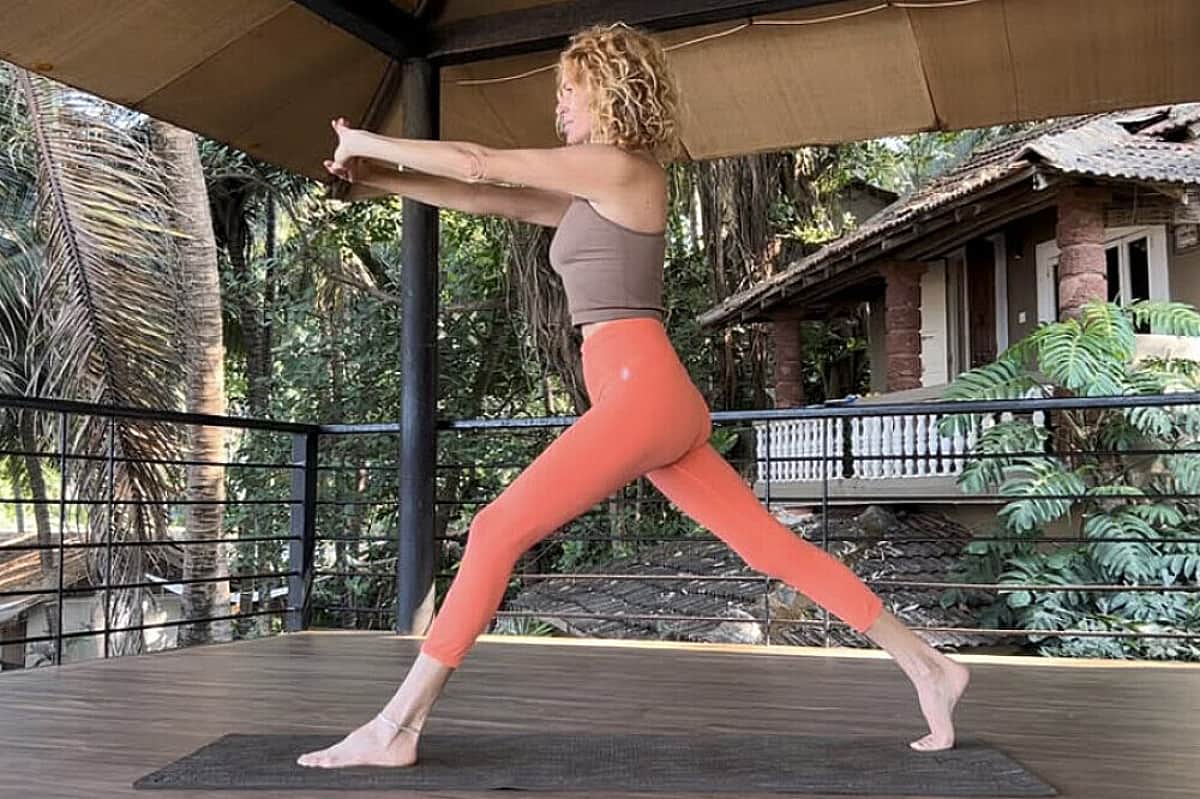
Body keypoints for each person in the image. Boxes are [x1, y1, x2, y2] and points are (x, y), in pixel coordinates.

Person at [298, 22, 969, 770]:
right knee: (766, 544)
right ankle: (931, 666)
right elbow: (487, 197)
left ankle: (396, 725)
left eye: (568, 92)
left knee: (493, 531)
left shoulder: (624, 169)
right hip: (647, 392)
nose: (558, 107)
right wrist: (373, 181)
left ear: (608, 89)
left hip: (638, 391)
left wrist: (369, 141)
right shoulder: (597, 189)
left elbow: (479, 160)